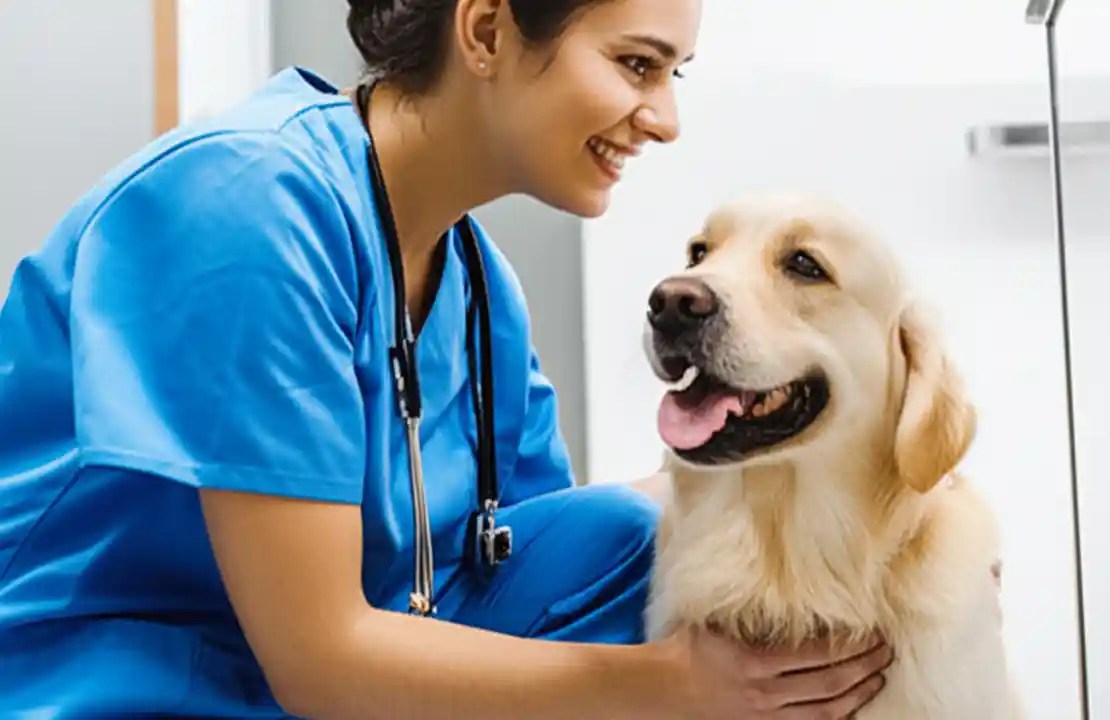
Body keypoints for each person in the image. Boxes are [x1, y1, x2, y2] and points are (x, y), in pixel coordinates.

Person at [0, 0, 895, 717]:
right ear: (485, 30)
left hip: (302, 666)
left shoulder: (474, 285)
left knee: (636, 548)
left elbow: (556, 560)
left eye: (672, 75)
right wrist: (676, 690)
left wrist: (895, 547)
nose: (664, 119)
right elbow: (321, 661)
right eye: (636, 64)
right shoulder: (251, 202)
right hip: (111, 671)